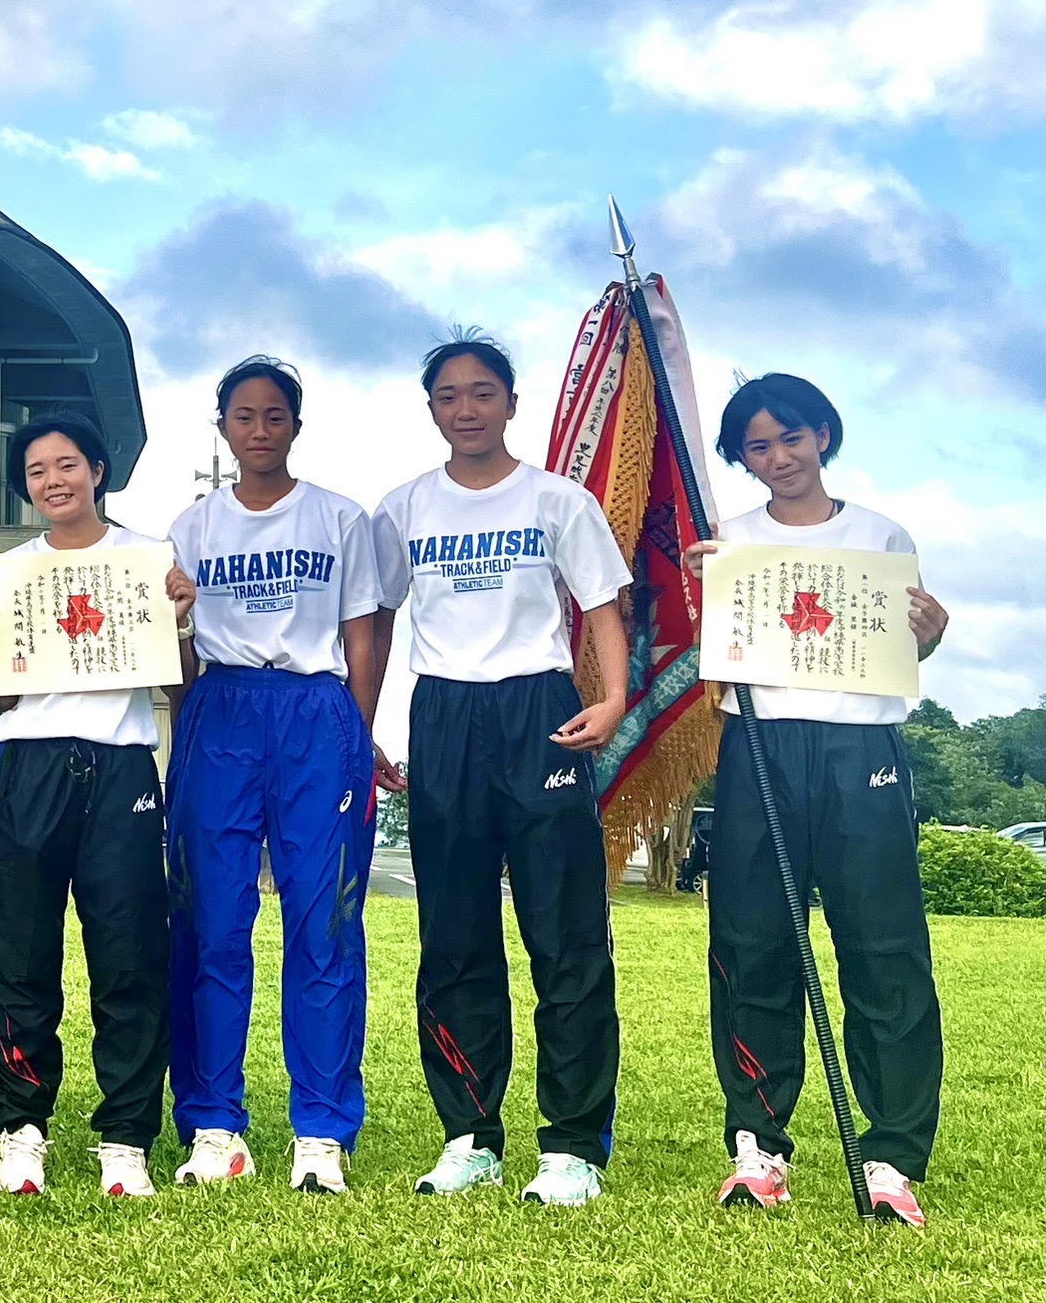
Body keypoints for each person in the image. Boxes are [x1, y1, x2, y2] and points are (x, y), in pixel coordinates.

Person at [370, 334, 632, 1208]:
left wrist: (613, 698)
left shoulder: (557, 499)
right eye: (448, 395)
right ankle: (469, 1134)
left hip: (538, 711)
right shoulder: (403, 508)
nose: (466, 408)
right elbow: (374, 617)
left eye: (482, 392)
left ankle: (572, 1145)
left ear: (510, 403)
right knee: (453, 934)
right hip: (444, 714)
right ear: (431, 409)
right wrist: (360, 726)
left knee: (564, 931)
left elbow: (602, 605)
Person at [689, 373, 948, 1227]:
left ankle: (892, 1155)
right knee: (751, 942)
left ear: (823, 435)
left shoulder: (880, 534)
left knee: (882, 945)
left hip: (859, 747)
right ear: (740, 457)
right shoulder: (729, 541)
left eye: (790, 437)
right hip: (759, 742)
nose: (778, 457)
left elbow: (903, 646)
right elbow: (709, 651)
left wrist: (929, 632)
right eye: (757, 446)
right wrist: (701, 589)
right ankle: (757, 1145)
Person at [164, 357, 401, 1194]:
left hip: (314, 711)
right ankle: (214, 1124)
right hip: (220, 710)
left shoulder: (339, 517)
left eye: (274, 415)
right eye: (243, 415)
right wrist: (194, 723)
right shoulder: (192, 525)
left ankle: (321, 1130)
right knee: (210, 922)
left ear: (296, 425)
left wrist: (355, 733)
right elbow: (177, 645)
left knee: (323, 921)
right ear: (221, 426)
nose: (258, 429)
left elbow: (362, 633)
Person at [0, 412, 176, 1201]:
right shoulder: (8, 572)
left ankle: (126, 1136)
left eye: (65, 464)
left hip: (120, 766)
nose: (52, 481)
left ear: (96, 469)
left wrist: (180, 614)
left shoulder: (147, 557)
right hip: (29, 764)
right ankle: (21, 1127)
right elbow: (0, 694)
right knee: (19, 953)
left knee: (129, 954)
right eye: (36, 471)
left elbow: (176, 675)